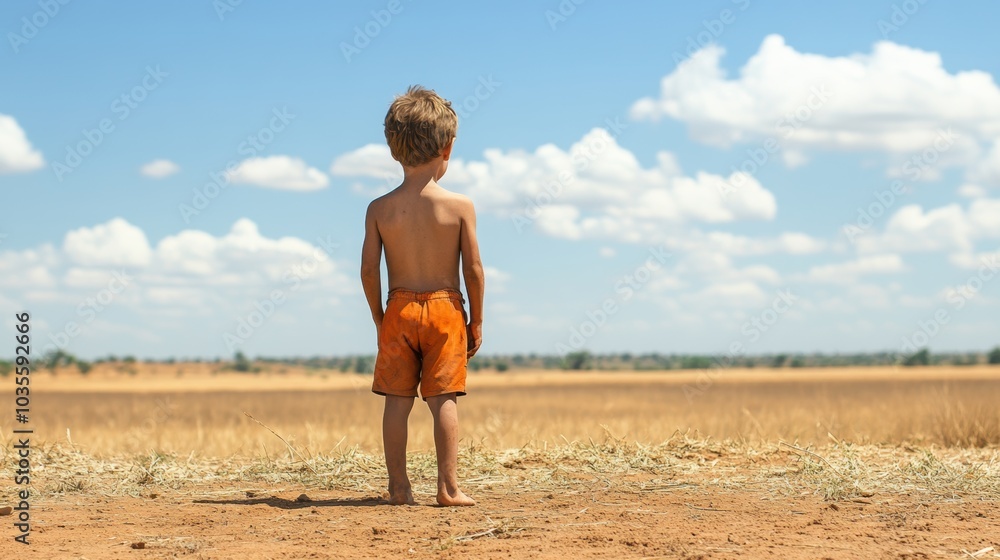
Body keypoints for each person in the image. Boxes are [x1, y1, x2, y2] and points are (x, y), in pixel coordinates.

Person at [360, 85, 484, 507]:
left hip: (398, 307)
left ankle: (398, 488)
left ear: (394, 149)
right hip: (446, 310)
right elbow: (473, 270)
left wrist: (380, 317)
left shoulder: (379, 208)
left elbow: (367, 270)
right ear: (448, 148)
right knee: (442, 400)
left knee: (397, 401)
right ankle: (448, 489)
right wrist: (477, 321)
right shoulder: (459, 206)